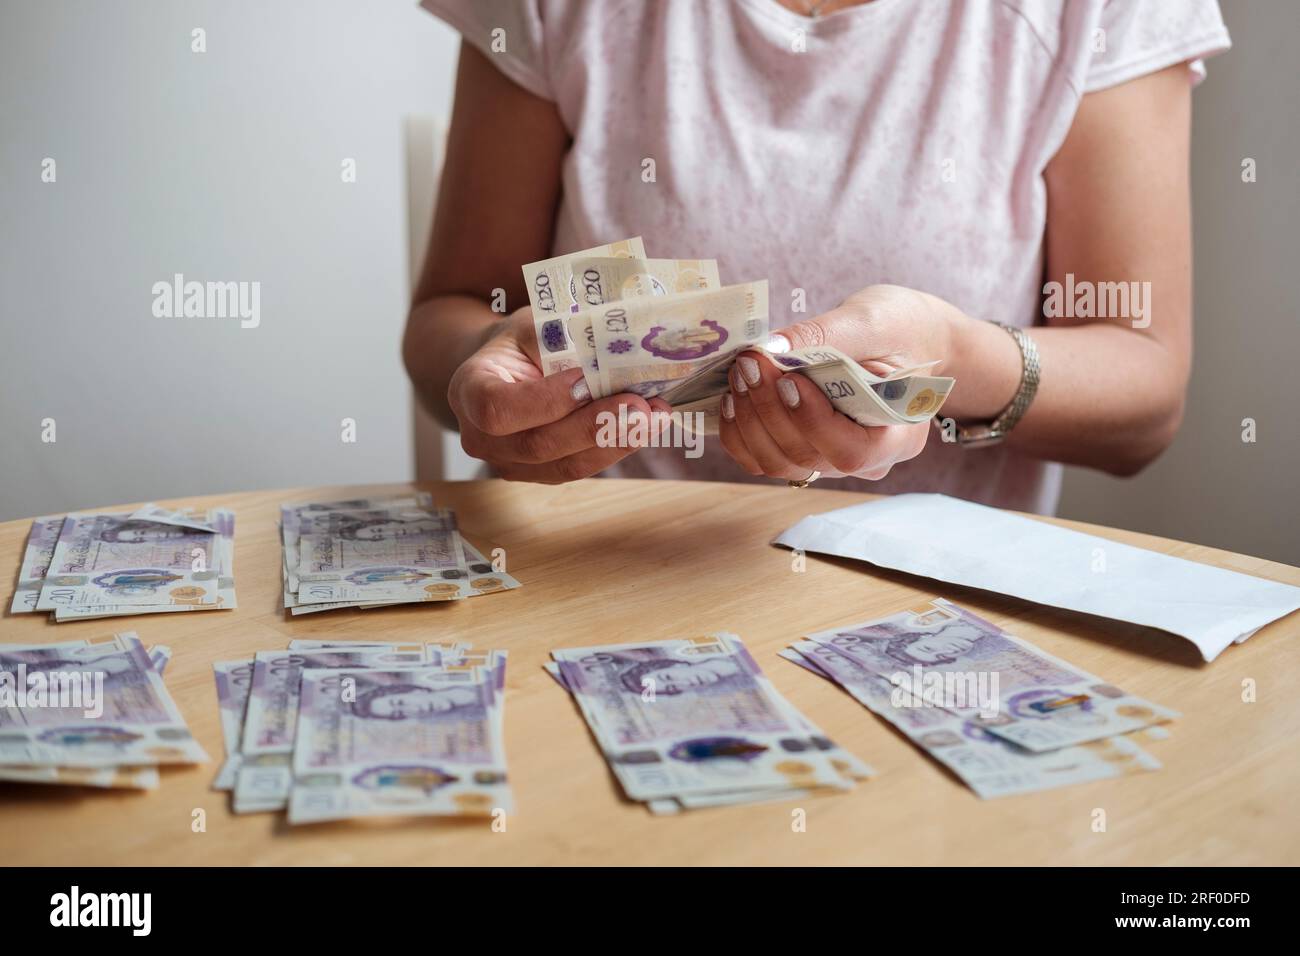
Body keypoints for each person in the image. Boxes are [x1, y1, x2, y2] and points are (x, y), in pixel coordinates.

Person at [404, 0, 1230, 514]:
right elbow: (451, 311)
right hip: (588, 580)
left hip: (926, 622)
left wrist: (957, 357)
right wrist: (489, 371)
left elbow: (1145, 402)